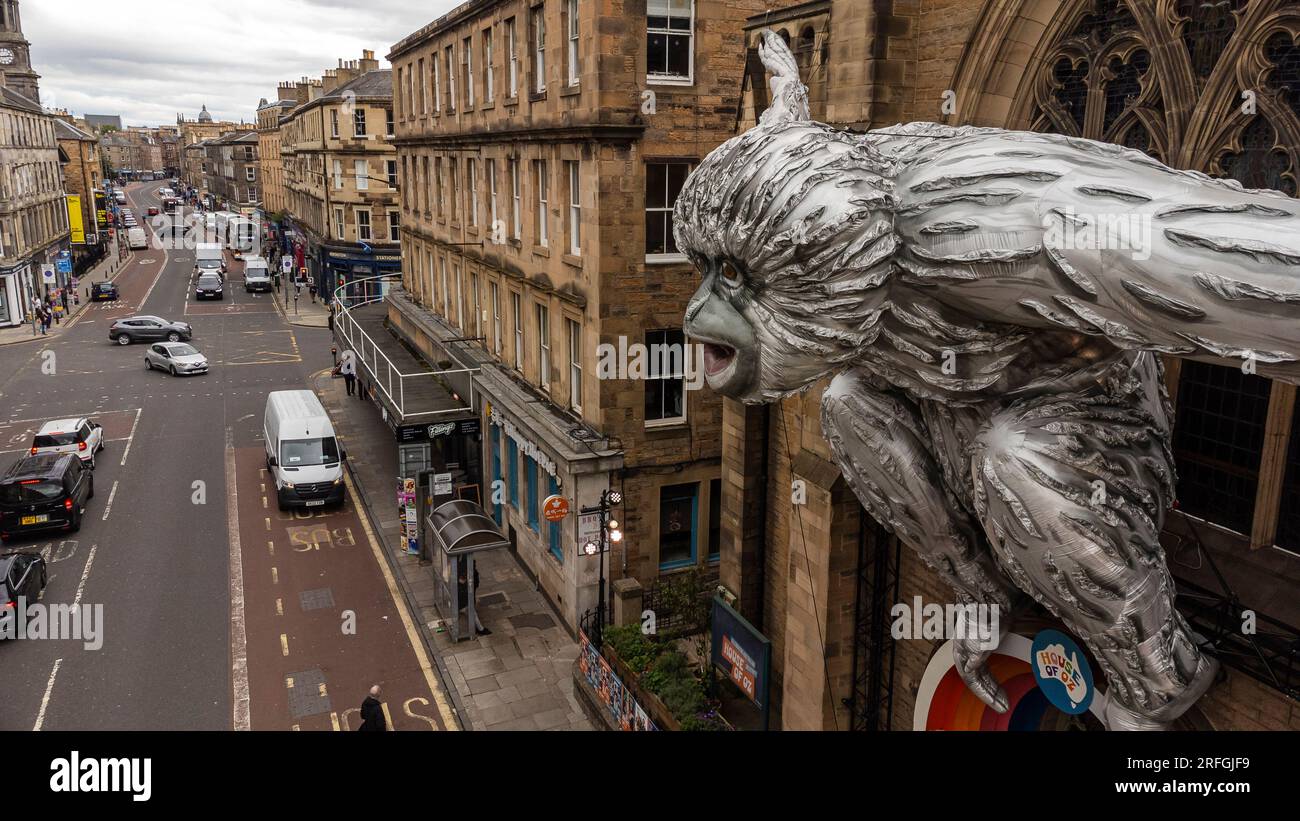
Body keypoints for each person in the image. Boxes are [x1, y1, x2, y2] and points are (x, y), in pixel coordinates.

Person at [457, 556, 491, 636]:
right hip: (465, 593)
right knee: (471, 611)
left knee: (471, 609)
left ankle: (480, 629)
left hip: (469, 590)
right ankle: (480, 629)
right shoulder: (464, 570)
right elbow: (462, 582)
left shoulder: (464, 566)